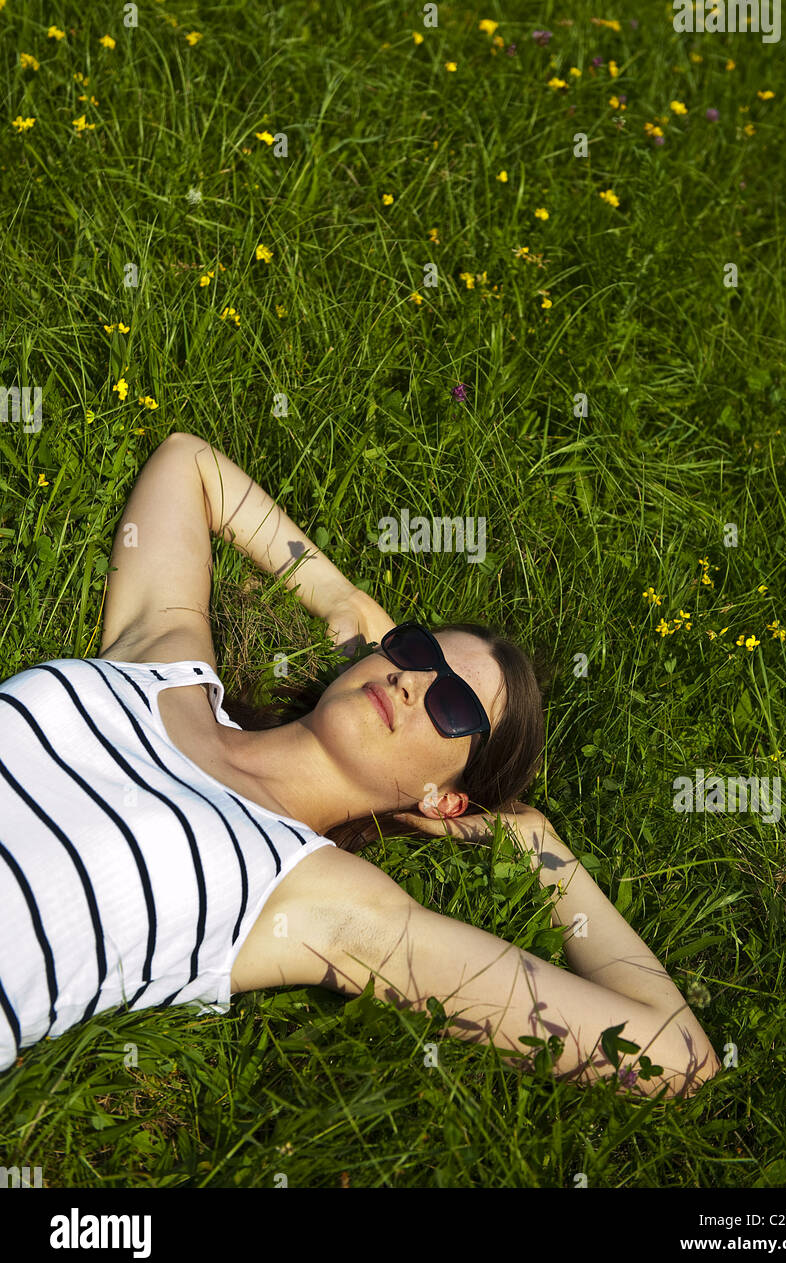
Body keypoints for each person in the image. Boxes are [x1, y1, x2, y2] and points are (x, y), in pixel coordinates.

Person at [0, 433, 720, 1097]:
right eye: (415, 651)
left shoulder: (321, 903)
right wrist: (337, 594)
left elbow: (675, 1055)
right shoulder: (161, 667)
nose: (414, 681)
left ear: (446, 800)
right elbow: (188, 463)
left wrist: (537, 846)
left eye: (456, 705)